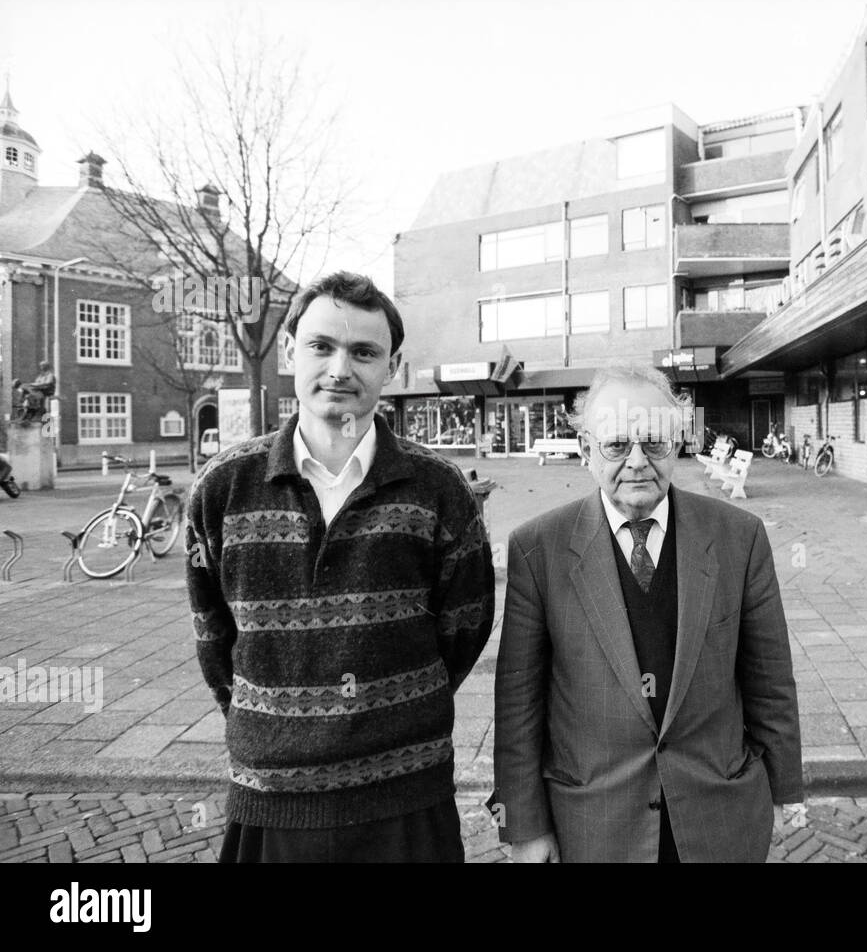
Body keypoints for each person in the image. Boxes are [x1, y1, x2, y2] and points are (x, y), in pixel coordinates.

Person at [185, 271, 495, 862]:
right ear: (289, 350)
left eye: (364, 352)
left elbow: (466, 627)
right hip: (271, 795)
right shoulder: (224, 487)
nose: (339, 368)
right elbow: (213, 637)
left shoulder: (439, 488)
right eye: (321, 346)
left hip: (407, 798)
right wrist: (275, 724)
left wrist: (392, 712)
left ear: (393, 366)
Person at [491, 362, 803, 862]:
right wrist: (523, 825)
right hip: (593, 825)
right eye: (616, 445)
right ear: (586, 450)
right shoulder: (537, 550)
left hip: (717, 818)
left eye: (654, 443)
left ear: (677, 444)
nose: (637, 461)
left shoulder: (739, 538)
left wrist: (786, 787)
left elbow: (770, 679)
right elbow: (517, 703)